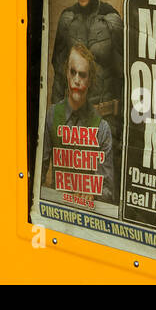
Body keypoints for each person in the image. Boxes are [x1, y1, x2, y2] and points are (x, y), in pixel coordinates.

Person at [51, 0, 124, 151]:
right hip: (74, 124)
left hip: (106, 122)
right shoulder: (67, 21)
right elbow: (58, 77)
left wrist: (122, 132)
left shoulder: (111, 21)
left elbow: (125, 79)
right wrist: (55, 126)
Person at [41, 43, 114, 203]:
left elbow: (108, 190)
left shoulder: (102, 128)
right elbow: (39, 174)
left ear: (90, 80)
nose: (76, 80)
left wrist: (94, 193)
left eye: (82, 75)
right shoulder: (52, 115)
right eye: (73, 72)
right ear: (66, 73)